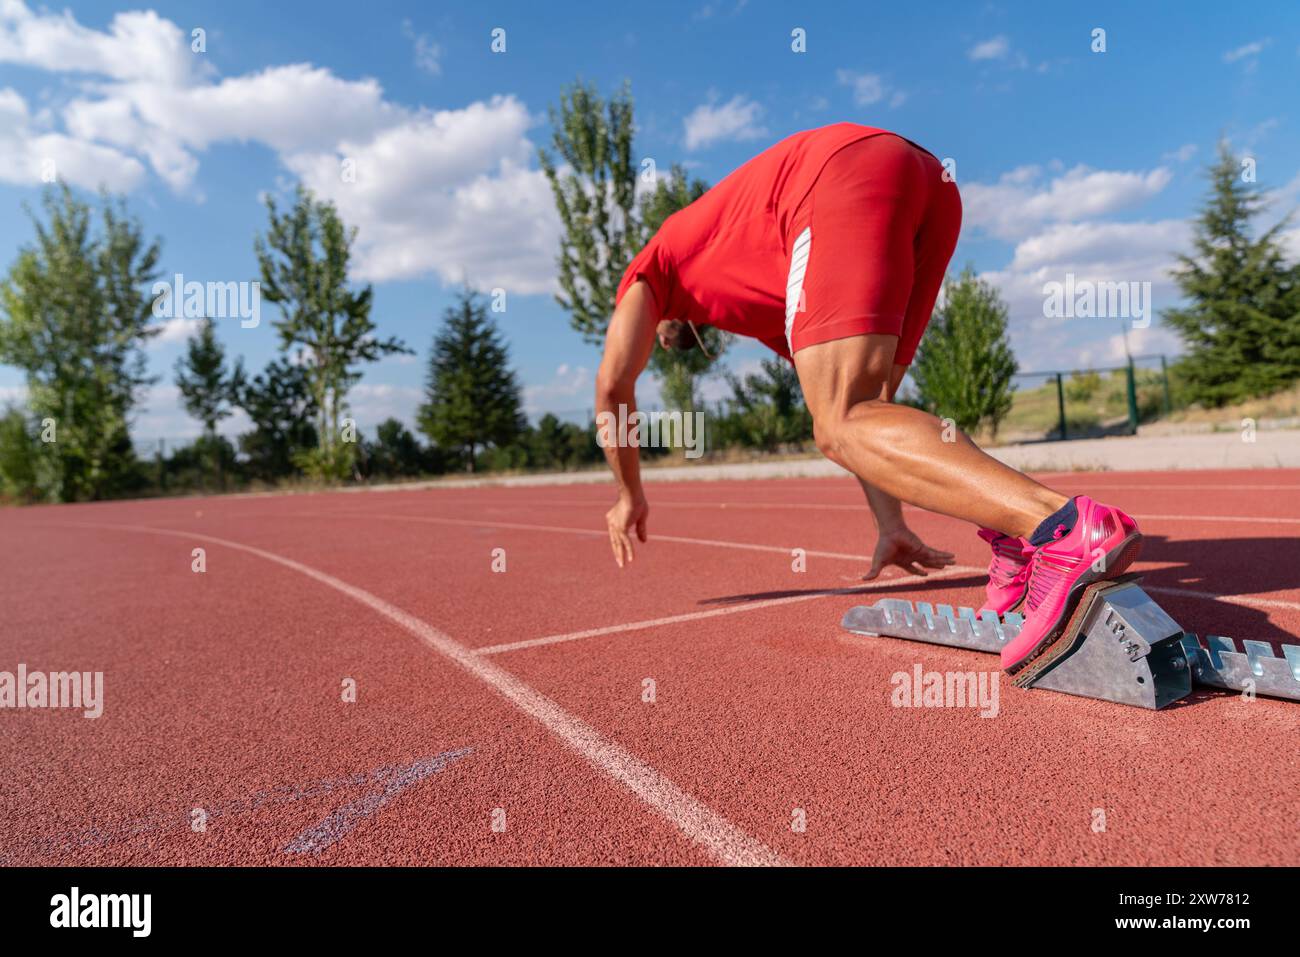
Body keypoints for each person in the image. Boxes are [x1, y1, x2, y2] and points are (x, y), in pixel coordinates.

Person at [594, 123, 1142, 674]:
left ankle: (1061, 528)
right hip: (927, 182)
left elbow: (613, 386)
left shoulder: (653, 269)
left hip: (839, 176)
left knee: (841, 418)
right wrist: (891, 525)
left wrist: (628, 494)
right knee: (864, 411)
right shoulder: (760, 298)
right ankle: (1014, 539)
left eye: (662, 340)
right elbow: (868, 426)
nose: (664, 345)